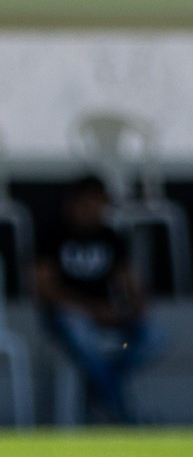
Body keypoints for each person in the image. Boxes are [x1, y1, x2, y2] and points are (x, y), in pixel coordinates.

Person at [34, 174, 160, 422]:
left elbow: (131, 283)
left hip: (107, 317)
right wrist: (92, 309)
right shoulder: (51, 234)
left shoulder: (111, 237)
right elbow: (44, 288)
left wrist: (134, 308)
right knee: (80, 332)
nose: (93, 209)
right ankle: (122, 414)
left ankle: (99, 385)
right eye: (88, 202)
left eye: (100, 203)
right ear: (73, 202)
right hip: (66, 317)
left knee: (156, 335)